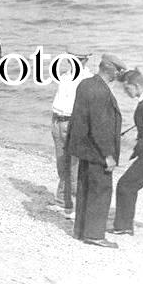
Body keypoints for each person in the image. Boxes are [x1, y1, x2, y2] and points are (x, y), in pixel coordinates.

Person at [67, 54, 125, 248]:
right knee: (101, 190)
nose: (119, 75)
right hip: (98, 151)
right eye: (118, 71)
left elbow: (82, 120)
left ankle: (80, 230)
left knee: (85, 188)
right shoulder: (101, 92)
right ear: (111, 70)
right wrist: (108, 155)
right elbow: (100, 127)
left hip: (84, 148)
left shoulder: (86, 84)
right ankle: (94, 235)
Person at [113, 69, 143, 236]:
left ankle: (123, 227)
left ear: (136, 85)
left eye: (127, 88)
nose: (125, 92)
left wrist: (139, 151)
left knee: (125, 186)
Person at [50, 51, 90, 217]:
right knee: (61, 163)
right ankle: (61, 200)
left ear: (86, 60)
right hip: (57, 120)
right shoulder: (65, 76)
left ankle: (73, 205)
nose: (75, 62)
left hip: (73, 123)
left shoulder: (88, 80)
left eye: (79, 59)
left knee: (74, 166)